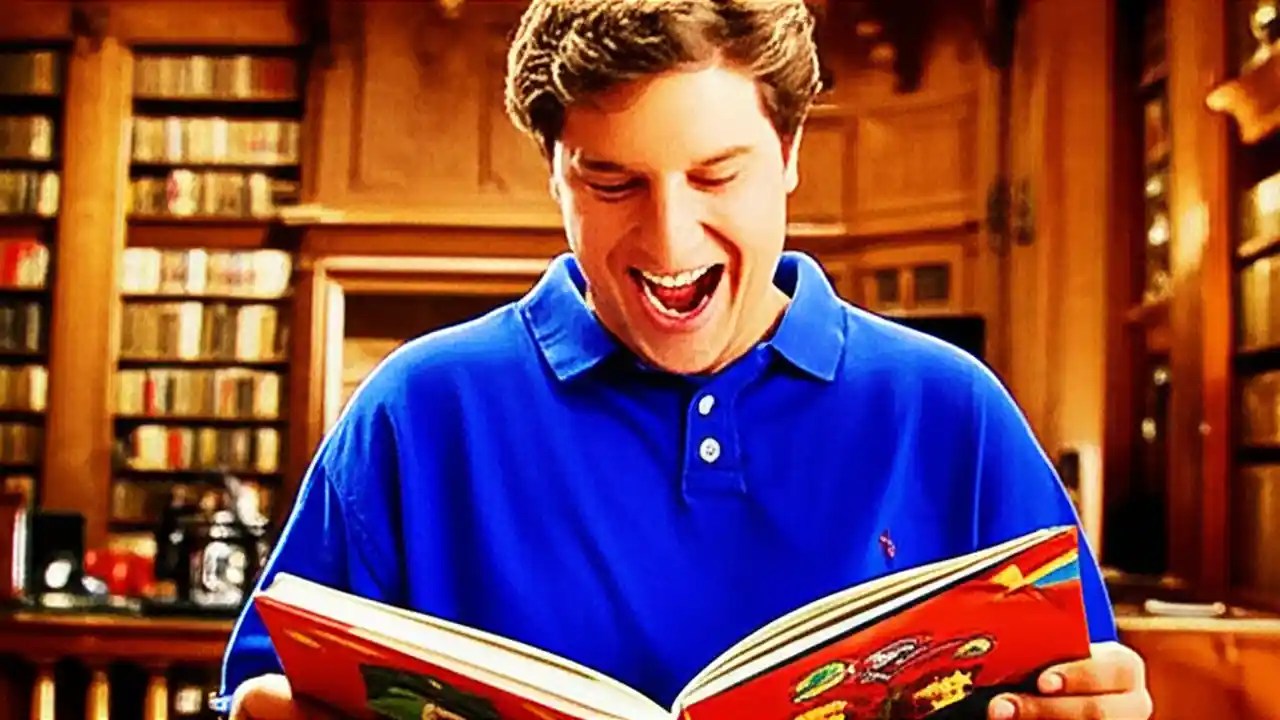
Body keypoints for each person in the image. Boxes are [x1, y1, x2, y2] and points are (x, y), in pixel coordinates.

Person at [219, 1, 1153, 719]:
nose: (669, 239)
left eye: (717, 175)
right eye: (612, 180)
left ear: (788, 154)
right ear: (554, 170)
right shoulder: (416, 412)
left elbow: (1072, 684)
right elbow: (271, 689)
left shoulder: (954, 412)